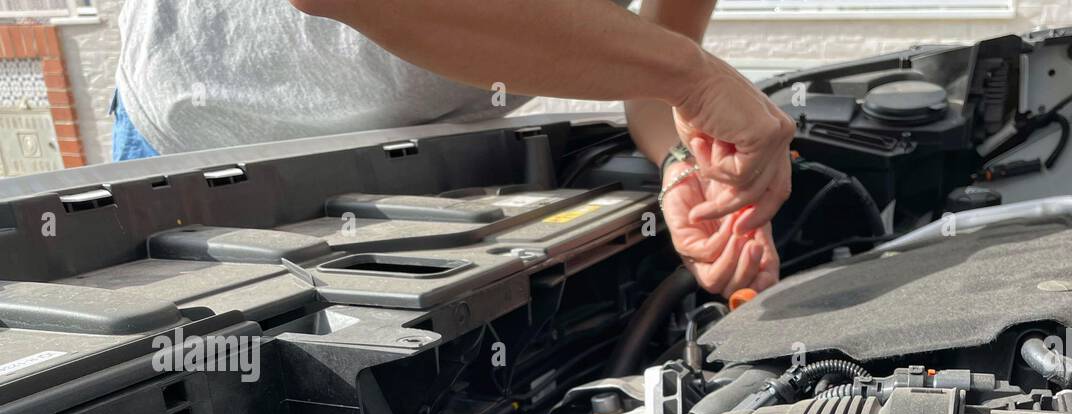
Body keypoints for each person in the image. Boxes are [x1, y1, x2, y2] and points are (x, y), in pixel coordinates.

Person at [112, 0, 791, 294]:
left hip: (422, 162)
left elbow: (654, 76)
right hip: (200, 138)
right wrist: (693, 79)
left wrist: (682, 167)